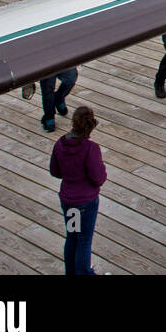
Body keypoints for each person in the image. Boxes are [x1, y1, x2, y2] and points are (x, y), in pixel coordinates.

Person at [49, 105, 106, 276]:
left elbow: (55, 171)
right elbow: (98, 177)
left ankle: (71, 272)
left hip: (68, 200)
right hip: (86, 202)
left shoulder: (60, 144)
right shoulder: (90, 148)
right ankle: (83, 272)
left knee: (72, 236)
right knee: (84, 240)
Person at [39, 67, 78, 133]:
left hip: (62, 60)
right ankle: (49, 116)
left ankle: (59, 98)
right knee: (47, 89)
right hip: (44, 64)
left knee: (71, 78)